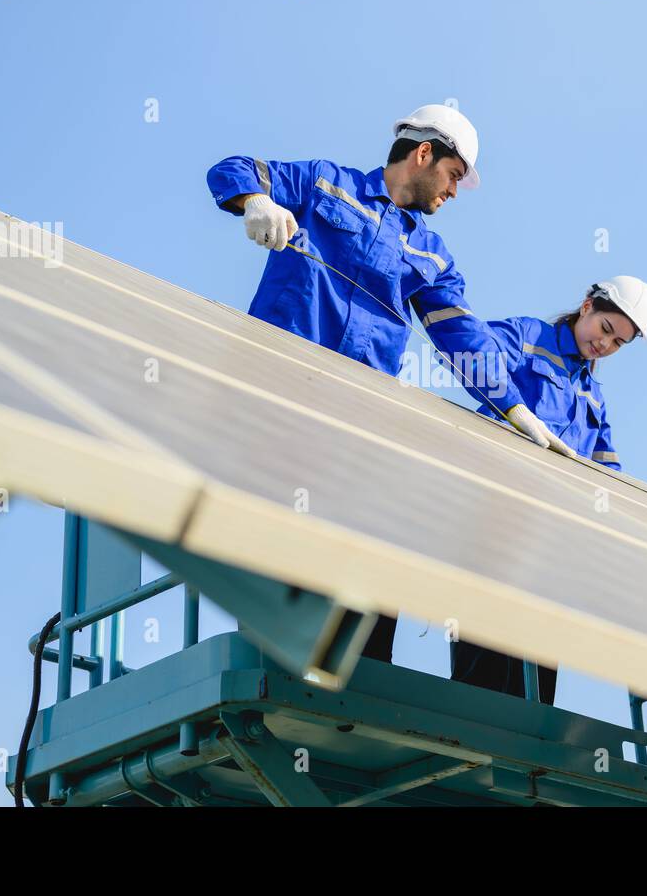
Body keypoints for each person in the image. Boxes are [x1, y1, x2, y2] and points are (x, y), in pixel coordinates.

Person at [206, 105, 574, 665]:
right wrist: (256, 202)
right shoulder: (326, 184)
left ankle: (360, 681)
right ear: (424, 154)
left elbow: (461, 337)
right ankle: (276, 668)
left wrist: (516, 410)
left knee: (372, 550)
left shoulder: (432, 256)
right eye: (454, 176)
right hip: (280, 399)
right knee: (285, 549)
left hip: (358, 421)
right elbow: (236, 167)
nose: (454, 191)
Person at [449, 276, 647, 704]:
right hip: (493, 527)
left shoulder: (593, 397)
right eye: (605, 330)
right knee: (486, 673)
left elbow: (609, 476)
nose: (605, 346)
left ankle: (524, 759)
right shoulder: (528, 338)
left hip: (550, 554)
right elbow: (470, 351)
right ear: (587, 307)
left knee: (537, 687)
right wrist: (513, 408)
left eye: (618, 343)